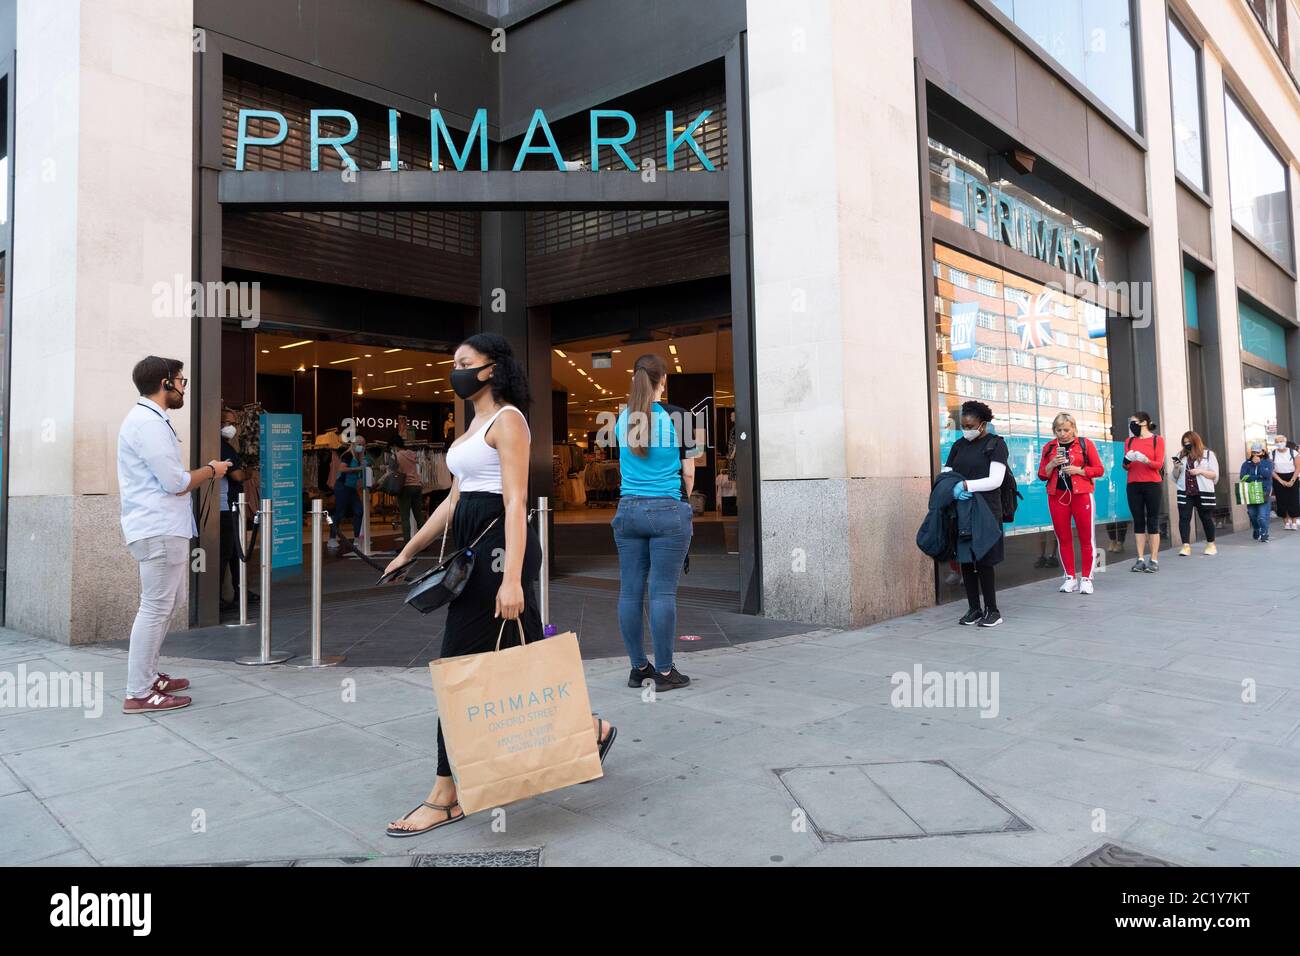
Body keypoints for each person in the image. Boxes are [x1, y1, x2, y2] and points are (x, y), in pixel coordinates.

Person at [383, 333, 615, 837]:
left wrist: (511, 578)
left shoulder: (508, 421)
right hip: (473, 544)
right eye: (455, 362)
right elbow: (451, 501)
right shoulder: (472, 426)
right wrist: (407, 550)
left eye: (465, 362)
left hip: (496, 553)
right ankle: (589, 729)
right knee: (524, 652)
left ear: (492, 370)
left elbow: (515, 502)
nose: (457, 370)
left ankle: (445, 794)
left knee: (458, 662)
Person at [118, 356, 231, 714]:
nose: (184, 386)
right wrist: (212, 470)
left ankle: (149, 676)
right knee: (155, 607)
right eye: (181, 380)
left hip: (163, 527)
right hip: (158, 527)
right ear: (165, 383)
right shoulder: (147, 423)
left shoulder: (151, 420)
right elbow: (176, 483)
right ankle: (138, 691)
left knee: (168, 603)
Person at [610, 354, 699, 692]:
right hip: (667, 511)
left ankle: (638, 669)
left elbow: (623, 467)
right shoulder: (681, 418)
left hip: (628, 511)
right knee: (661, 592)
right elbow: (689, 471)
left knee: (629, 592)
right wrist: (682, 502)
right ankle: (664, 673)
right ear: (664, 381)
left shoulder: (621, 419)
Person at [942, 400, 1008, 628]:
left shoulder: (996, 444)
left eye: (970, 425)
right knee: (966, 560)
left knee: (985, 560)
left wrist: (966, 486)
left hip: (987, 510)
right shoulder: (958, 446)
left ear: (983, 424)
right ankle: (974, 609)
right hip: (963, 509)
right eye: (963, 425)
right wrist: (951, 488)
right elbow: (948, 473)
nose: (966, 430)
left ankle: (993, 610)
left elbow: (995, 480)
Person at [1037, 412, 1105, 594]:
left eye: (1066, 429)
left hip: (1081, 494)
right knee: (1063, 537)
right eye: (1058, 430)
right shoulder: (1049, 447)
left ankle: (1087, 578)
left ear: (1073, 428)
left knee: (1086, 537)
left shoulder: (1085, 444)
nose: (1062, 434)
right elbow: (1042, 474)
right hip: (1057, 496)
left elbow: (1099, 469)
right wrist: (1051, 464)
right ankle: (1069, 577)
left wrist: (1079, 470)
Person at [218, 407, 257, 612]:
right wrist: (249, 472)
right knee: (227, 552)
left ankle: (238, 589)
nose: (231, 427)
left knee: (235, 552)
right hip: (226, 506)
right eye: (227, 423)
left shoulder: (226, 446)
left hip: (231, 504)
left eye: (234, 423)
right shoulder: (223, 448)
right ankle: (220, 596)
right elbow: (237, 476)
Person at [1121, 411, 1165, 572]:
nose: (1132, 425)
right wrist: (1127, 460)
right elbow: (1125, 467)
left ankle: (1153, 560)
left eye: (1134, 422)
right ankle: (1140, 559)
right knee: (1138, 521)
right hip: (1133, 484)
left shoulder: (1157, 440)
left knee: (1153, 521)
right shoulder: (1129, 441)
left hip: (1152, 484)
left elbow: (1159, 464)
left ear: (1144, 422)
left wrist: (1145, 459)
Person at [1172, 430, 1219, 556]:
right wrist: (1176, 468)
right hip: (1185, 491)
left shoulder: (1208, 454)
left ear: (1195, 441)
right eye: (1184, 442)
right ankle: (1186, 546)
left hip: (1202, 491)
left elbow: (1215, 475)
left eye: (1189, 442)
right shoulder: (1181, 455)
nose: (1187, 444)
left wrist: (1200, 471)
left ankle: (1211, 544)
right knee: (1184, 518)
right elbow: (1174, 477)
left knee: (1206, 518)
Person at [332, 435, 370, 546]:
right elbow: (341, 468)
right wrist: (357, 469)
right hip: (342, 487)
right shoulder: (348, 455)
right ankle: (332, 538)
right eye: (359, 444)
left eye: (363, 444)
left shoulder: (361, 458)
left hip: (352, 488)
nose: (361, 446)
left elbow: (363, 471)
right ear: (353, 444)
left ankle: (357, 538)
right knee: (339, 513)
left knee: (359, 511)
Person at [389, 434, 426, 543]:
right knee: (419, 516)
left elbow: (392, 470)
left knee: (405, 517)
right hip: (417, 486)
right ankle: (425, 542)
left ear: (394, 445)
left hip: (405, 487)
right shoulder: (412, 453)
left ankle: (407, 543)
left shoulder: (395, 456)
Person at [1240, 442, 1275, 543]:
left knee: (1262, 516)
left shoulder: (1268, 462)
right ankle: (1256, 529)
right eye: (1253, 452)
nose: (1255, 454)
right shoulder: (1246, 464)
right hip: (1251, 492)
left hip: (1264, 491)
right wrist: (1258, 477)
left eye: (1257, 452)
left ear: (1262, 452)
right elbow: (1243, 477)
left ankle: (1264, 534)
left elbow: (1267, 475)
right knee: (1252, 514)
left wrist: (1259, 464)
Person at [1270, 434, 1299, 530]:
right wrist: (1280, 480)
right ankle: (1286, 522)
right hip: (1278, 477)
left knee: (1293, 500)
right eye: (1277, 442)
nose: (1279, 443)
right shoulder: (1272, 453)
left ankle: (1294, 522)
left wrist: (1292, 480)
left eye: (1281, 441)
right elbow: (1271, 469)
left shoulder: (1293, 452)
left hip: (1292, 476)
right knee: (1281, 501)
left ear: (1285, 442)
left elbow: (1298, 467)